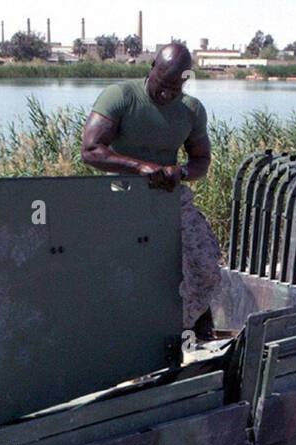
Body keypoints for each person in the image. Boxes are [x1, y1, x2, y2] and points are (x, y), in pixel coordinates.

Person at [80, 42, 222, 340]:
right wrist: (140, 168)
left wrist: (179, 172)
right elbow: (91, 150)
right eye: (162, 84)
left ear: (184, 81)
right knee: (122, 272)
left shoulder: (191, 110)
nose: (167, 93)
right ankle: (120, 334)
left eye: (175, 87)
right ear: (151, 69)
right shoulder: (121, 96)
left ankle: (186, 323)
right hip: (121, 195)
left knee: (206, 264)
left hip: (168, 197)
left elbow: (202, 161)